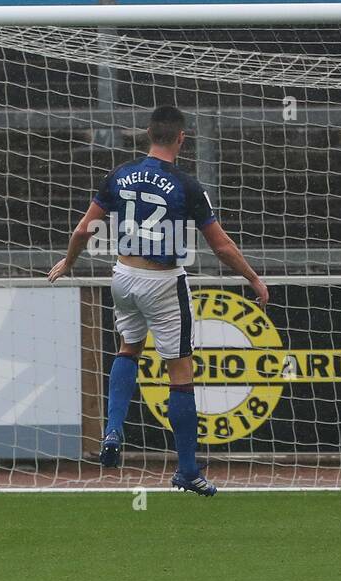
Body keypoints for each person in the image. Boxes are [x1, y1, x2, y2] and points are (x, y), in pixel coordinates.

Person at [48, 106, 268, 496]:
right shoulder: (187, 185)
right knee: (180, 374)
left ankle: (113, 428)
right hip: (163, 281)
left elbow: (84, 228)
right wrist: (252, 277)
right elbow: (220, 245)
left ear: (148, 133)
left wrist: (69, 261)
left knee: (128, 349)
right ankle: (186, 470)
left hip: (123, 276)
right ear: (181, 138)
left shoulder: (118, 175)